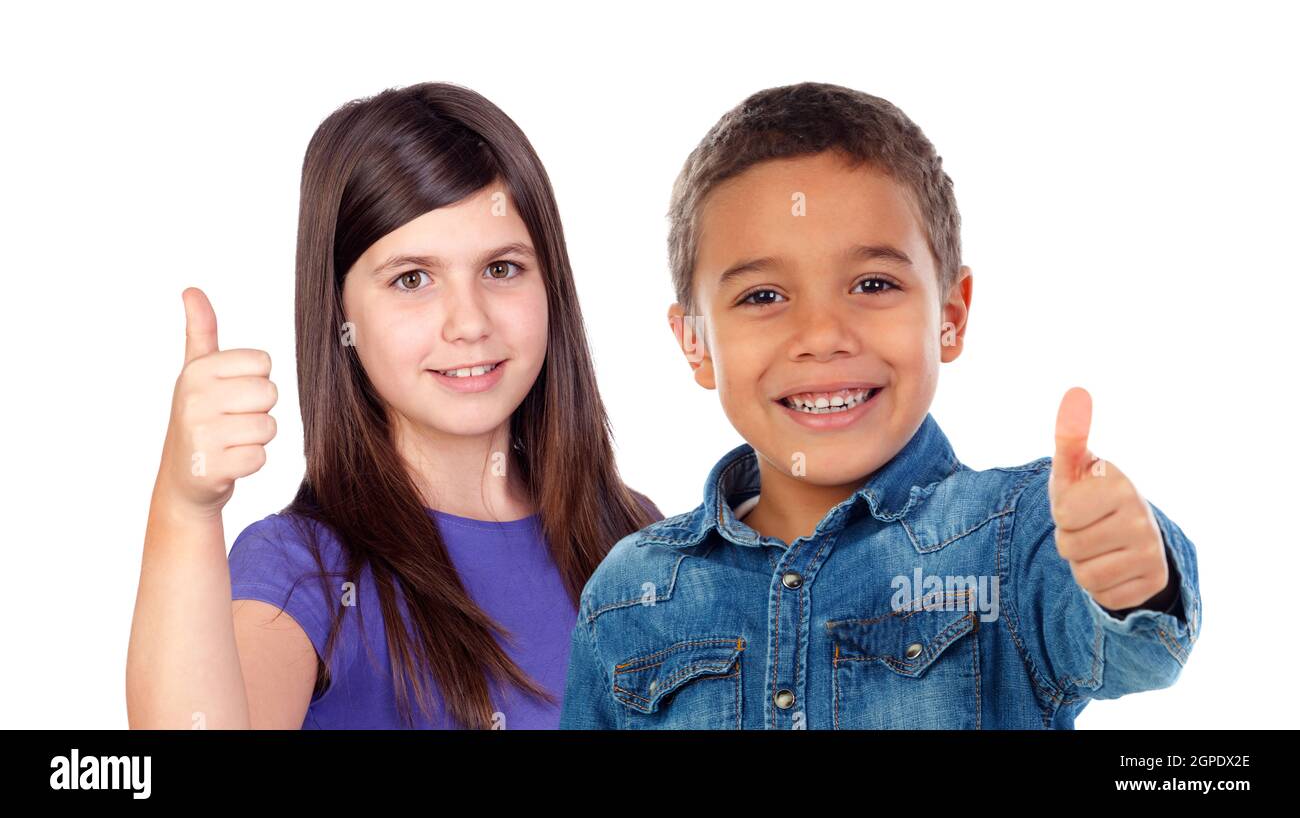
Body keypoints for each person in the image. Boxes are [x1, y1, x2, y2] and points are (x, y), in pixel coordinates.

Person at [559, 81, 1199, 729]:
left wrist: (1132, 576)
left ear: (950, 315)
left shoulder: (1019, 534)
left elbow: (1140, 650)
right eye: (763, 296)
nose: (822, 335)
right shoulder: (628, 595)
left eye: (872, 283)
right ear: (695, 342)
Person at [127, 82, 662, 729]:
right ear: (339, 313)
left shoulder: (635, 536)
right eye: (413, 278)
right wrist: (185, 510)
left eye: (501, 268)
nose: (468, 322)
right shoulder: (305, 570)